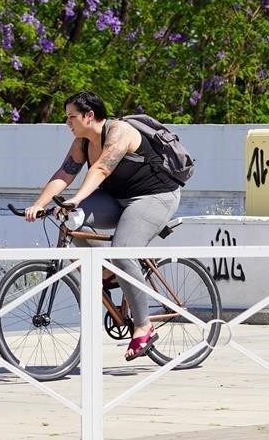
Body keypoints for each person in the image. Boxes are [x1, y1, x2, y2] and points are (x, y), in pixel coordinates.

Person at [25, 91, 182, 361]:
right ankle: (109, 270)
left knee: (123, 250)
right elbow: (64, 173)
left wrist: (75, 198)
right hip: (117, 199)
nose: (67, 122)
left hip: (154, 197)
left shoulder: (120, 131)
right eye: (66, 117)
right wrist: (39, 204)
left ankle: (144, 326)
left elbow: (101, 170)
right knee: (70, 218)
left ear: (89, 115)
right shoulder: (82, 142)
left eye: (71, 116)